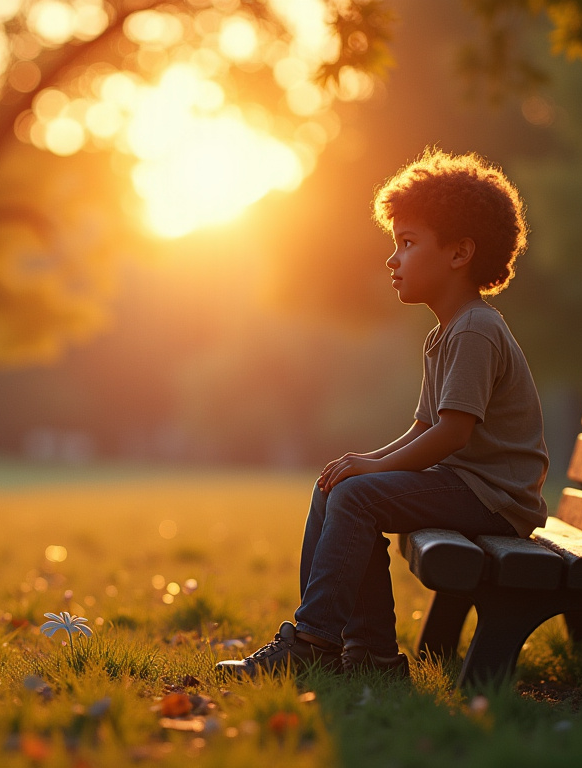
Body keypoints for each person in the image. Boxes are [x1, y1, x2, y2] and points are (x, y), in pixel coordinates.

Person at [216, 149, 549, 678]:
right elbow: (425, 426)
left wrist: (372, 472)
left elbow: (454, 433)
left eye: (408, 244)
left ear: (460, 253)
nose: (393, 260)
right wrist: (365, 461)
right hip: (469, 486)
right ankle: (367, 653)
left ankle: (313, 642)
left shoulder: (475, 330)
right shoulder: (447, 332)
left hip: (495, 500)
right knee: (337, 487)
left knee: (358, 494)